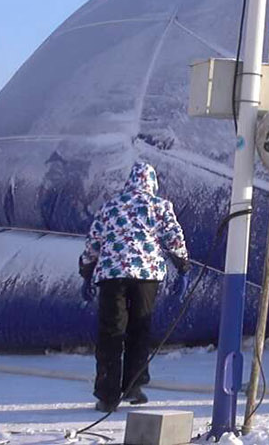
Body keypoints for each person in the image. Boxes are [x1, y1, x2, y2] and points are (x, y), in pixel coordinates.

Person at [78, 161, 189, 411]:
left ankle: (107, 395)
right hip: (145, 276)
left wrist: (86, 272)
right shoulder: (159, 205)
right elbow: (174, 237)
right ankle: (134, 386)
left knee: (111, 332)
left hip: (111, 275)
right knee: (140, 329)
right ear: (152, 183)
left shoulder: (111, 206)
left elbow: (93, 241)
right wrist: (182, 267)